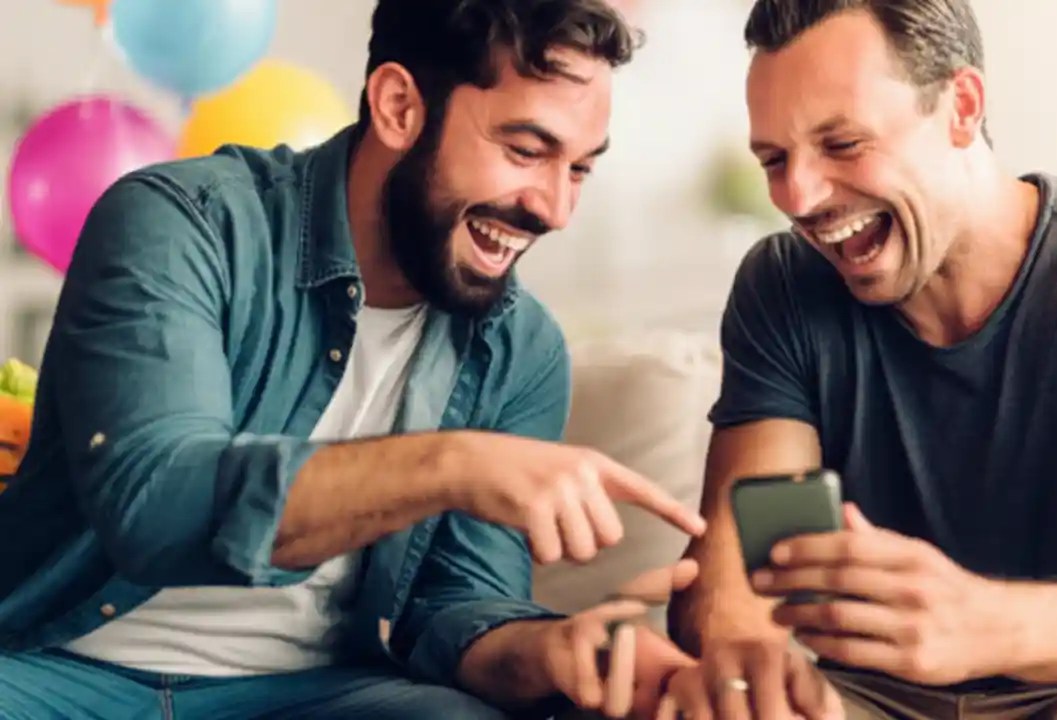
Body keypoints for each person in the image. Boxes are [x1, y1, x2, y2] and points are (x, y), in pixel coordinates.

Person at [0, 1, 707, 718]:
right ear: (399, 106)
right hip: (62, 668)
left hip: (314, 692)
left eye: (580, 168)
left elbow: (457, 607)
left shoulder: (519, 348)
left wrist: (557, 651)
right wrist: (451, 466)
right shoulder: (183, 224)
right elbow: (157, 506)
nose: (555, 208)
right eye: (525, 152)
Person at [665, 1, 1057, 718]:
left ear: (961, 107)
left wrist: (976, 622)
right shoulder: (788, 287)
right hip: (863, 698)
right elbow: (749, 561)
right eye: (774, 160)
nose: (798, 196)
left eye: (843, 144)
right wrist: (741, 656)